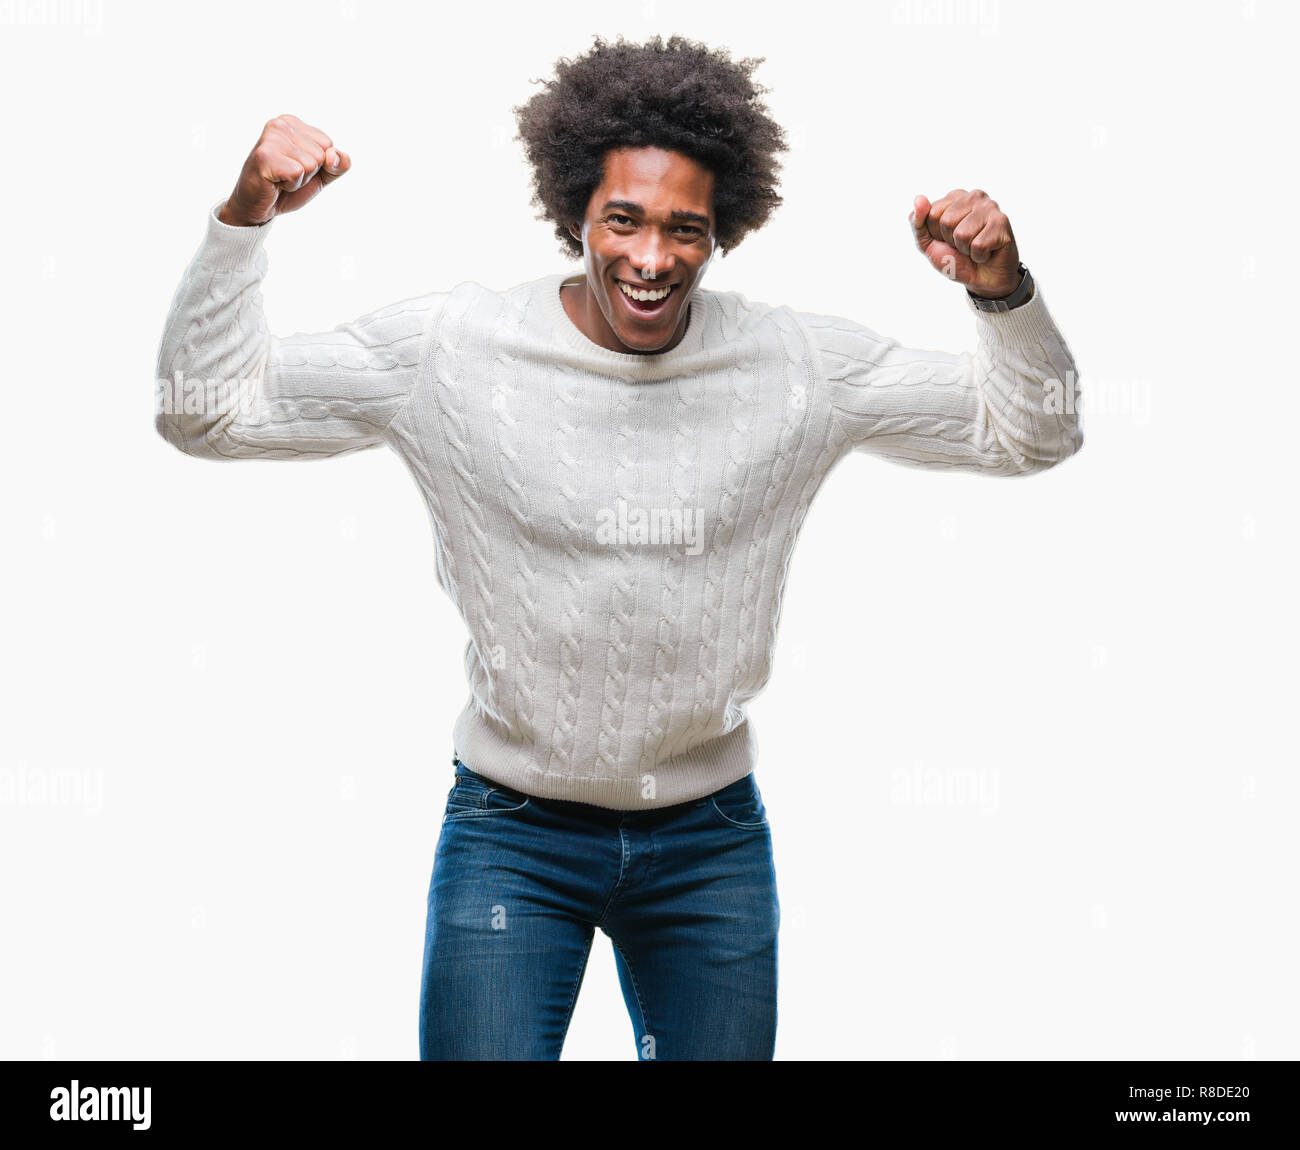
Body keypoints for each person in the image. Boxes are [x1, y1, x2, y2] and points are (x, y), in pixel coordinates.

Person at [154, 33, 1082, 1061]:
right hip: (511, 836)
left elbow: (1031, 433)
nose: (650, 259)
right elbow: (208, 415)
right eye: (623, 221)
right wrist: (242, 222)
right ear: (575, 218)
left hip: (709, 841)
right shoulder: (452, 352)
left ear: (720, 230)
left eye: (684, 229)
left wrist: (999, 290)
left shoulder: (796, 365)